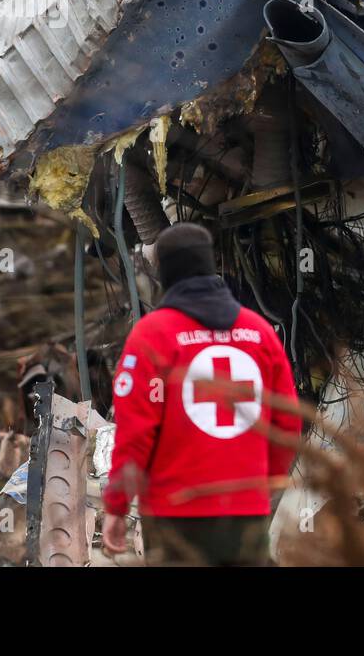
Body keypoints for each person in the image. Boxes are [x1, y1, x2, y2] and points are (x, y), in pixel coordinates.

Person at [102, 222, 301, 565]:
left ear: (166, 274)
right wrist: (262, 490)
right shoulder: (259, 333)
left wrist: (117, 506)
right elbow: (288, 426)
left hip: (176, 517)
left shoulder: (151, 336)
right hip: (246, 515)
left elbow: (135, 434)